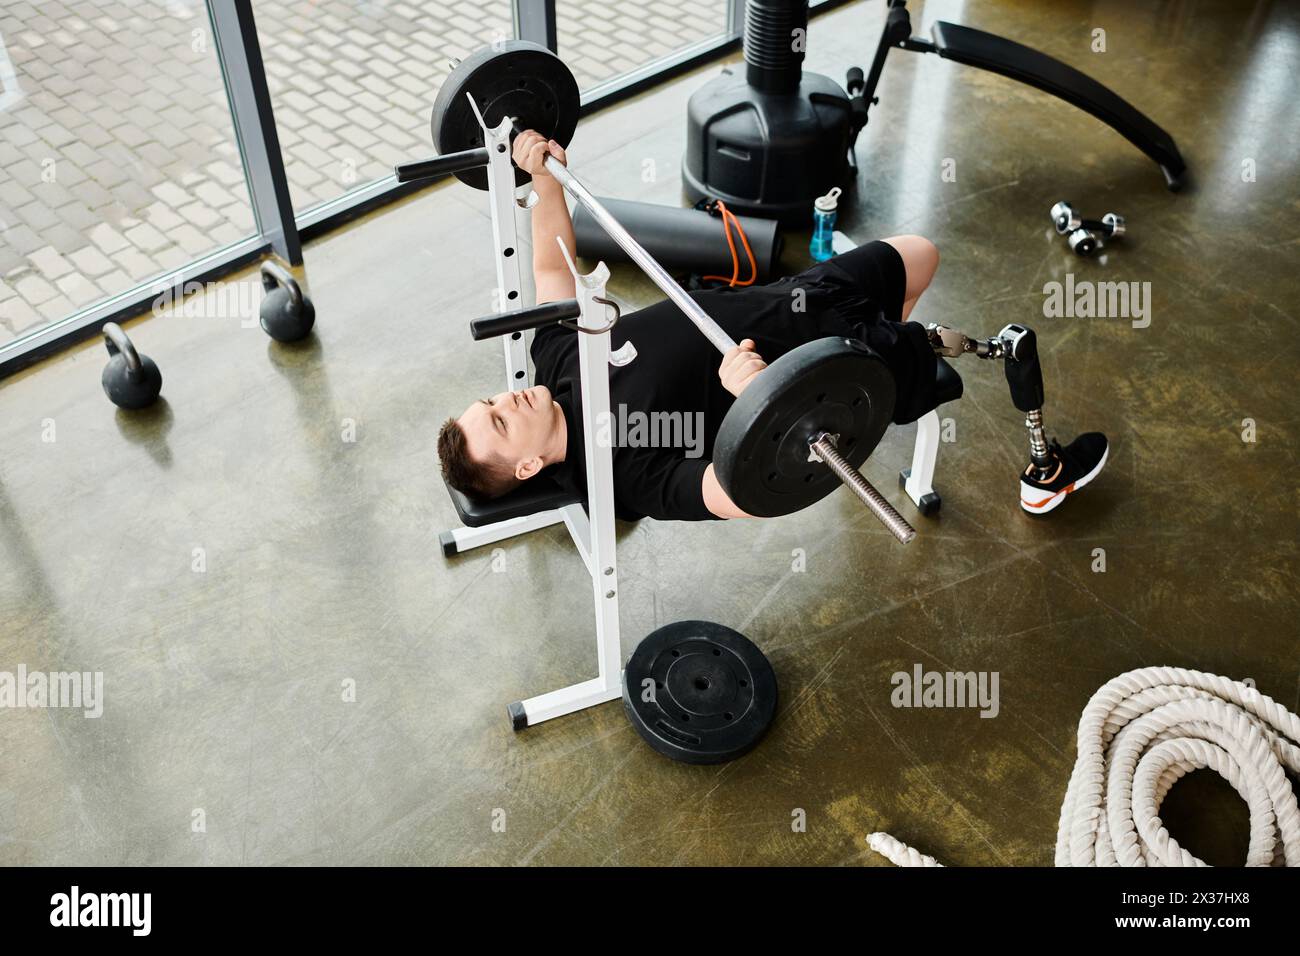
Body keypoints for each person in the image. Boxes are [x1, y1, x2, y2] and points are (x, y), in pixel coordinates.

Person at [438, 131, 1108, 521]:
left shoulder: (553, 365)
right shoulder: (617, 475)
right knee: (900, 348)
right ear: (528, 464)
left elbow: (554, 271)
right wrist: (757, 398)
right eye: (499, 420)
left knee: (920, 254)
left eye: (490, 401)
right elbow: (733, 495)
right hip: (820, 370)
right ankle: (921, 387)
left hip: (794, 297)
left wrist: (544, 178)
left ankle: (897, 345)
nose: (507, 398)